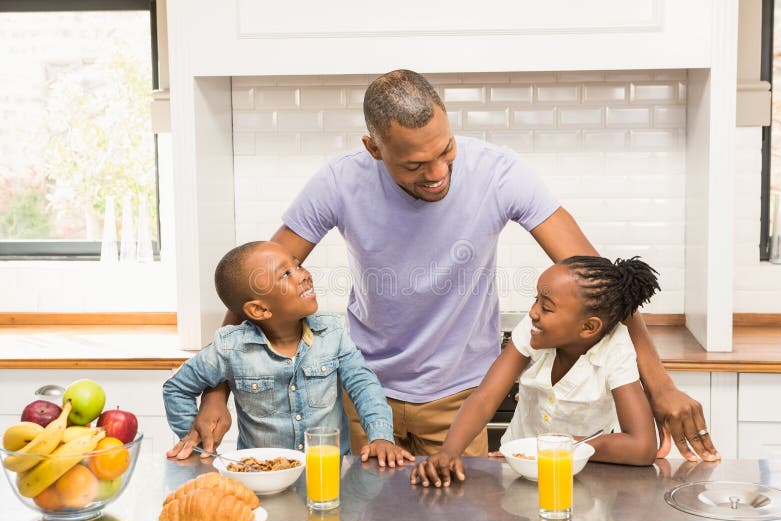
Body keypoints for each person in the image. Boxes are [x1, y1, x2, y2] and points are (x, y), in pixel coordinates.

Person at [174, 69, 719, 464]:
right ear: (373, 148)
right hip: (366, 391)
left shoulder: (500, 173)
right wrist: (215, 392)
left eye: (446, 151)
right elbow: (255, 285)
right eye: (414, 164)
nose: (437, 173)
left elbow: (601, 280)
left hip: (462, 396)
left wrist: (661, 385)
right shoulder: (338, 182)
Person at [411, 256, 661, 487]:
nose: (533, 312)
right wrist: (449, 451)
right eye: (536, 300)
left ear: (588, 327)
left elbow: (642, 446)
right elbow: (484, 398)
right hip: (518, 466)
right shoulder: (533, 332)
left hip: (581, 474)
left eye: (547, 308)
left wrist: (558, 449)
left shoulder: (615, 350)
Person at [163, 241, 413, 467]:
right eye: (286, 274)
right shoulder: (230, 348)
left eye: (298, 266)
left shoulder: (332, 332)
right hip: (260, 477)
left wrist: (381, 436)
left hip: (329, 473)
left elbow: (364, 385)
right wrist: (195, 443)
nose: (303, 275)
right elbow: (177, 388)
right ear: (259, 309)